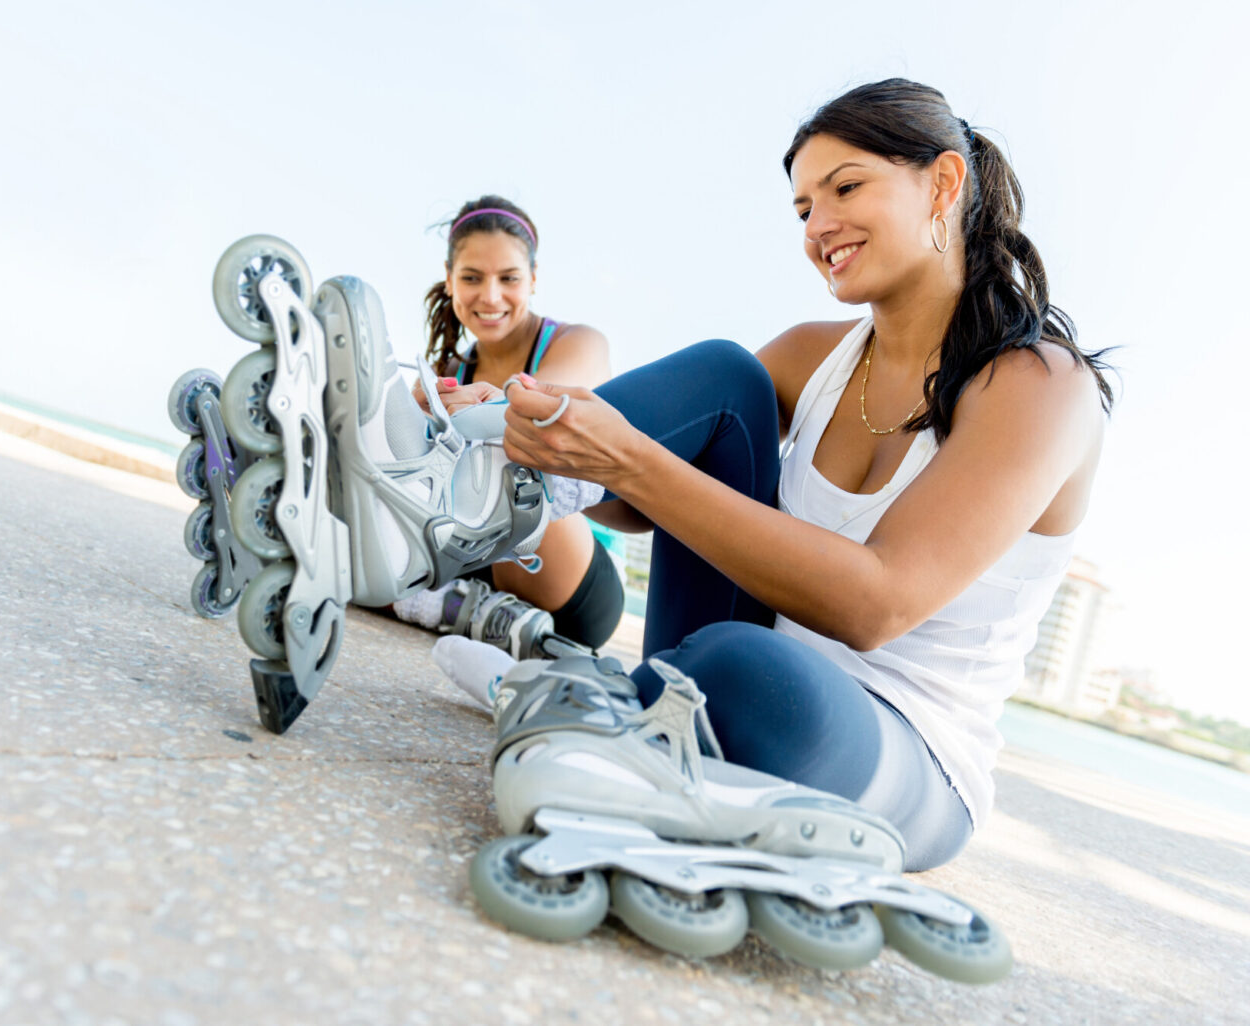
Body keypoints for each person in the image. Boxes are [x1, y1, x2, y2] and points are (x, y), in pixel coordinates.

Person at [440, 79, 1113, 872]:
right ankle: (498, 481)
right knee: (725, 376)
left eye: (846, 188)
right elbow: (644, 501)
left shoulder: (1042, 388)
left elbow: (876, 603)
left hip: (898, 753)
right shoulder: (811, 355)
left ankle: (595, 702)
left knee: (740, 667)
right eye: (802, 209)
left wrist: (627, 456)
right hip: (727, 675)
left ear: (943, 182)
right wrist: (560, 436)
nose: (818, 227)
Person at [395, 195, 625, 653]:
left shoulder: (578, 343)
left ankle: (452, 607)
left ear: (534, 280)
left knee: (517, 456)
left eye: (509, 278)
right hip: (469, 565)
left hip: (565, 579)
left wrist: (432, 419)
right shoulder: (448, 371)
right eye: (472, 278)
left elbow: (535, 423)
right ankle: (464, 610)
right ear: (450, 281)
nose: (491, 295)